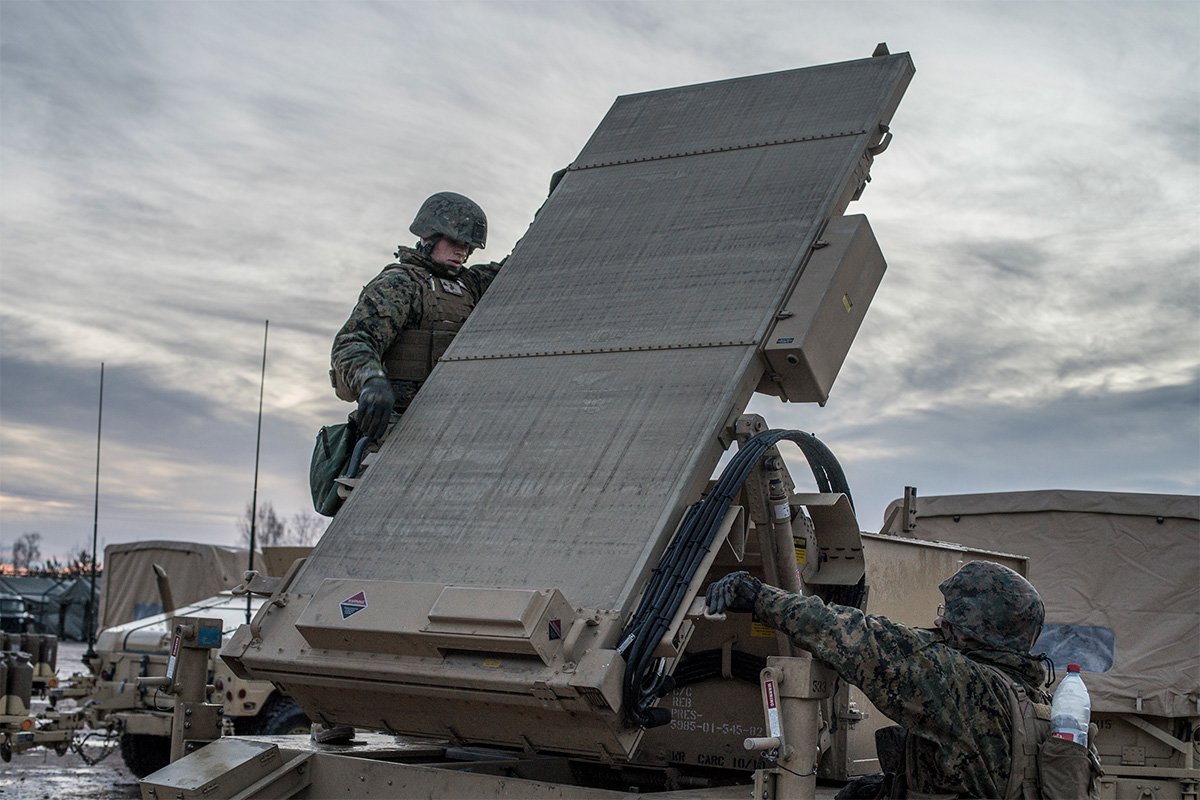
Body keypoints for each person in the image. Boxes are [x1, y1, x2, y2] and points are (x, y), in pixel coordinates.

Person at [705, 560, 1062, 799]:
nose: (938, 623)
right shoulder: (1031, 697)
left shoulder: (962, 684)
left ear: (972, 631)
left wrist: (760, 597)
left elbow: (859, 638)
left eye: (949, 616)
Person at [330, 191, 504, 442]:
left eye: (467, 246)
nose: (462, 253)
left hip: (454, 423)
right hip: (399, 425)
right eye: (455, 242)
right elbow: (353, 341)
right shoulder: (400, 284)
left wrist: (551, 202)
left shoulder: (470, 284)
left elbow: (520, 263)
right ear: (429, 236)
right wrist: (371, 380)